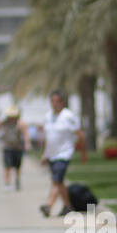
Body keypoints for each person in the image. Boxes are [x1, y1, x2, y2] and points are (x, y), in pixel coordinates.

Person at [38, 89, 87, 218]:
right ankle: (68, 206)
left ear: (62, 102)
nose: (54, 104)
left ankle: (48, 206)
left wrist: (83, 153)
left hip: (64, 154)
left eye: (57, 101)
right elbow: (49, 138)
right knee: (59, 182)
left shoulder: (68, 116)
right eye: (52, 101)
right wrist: (45, 155)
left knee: (57, 180)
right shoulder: (48, 117)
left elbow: (81, 135)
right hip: (52, 155)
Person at [0, 107, 29, 190]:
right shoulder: (4, 123)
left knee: (17, 167)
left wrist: (27, 144)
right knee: (7, 166)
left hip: (18, 148)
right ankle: (7, 183)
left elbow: (26, 134)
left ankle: (17, 180)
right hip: (7, 147)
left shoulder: (21, 124)